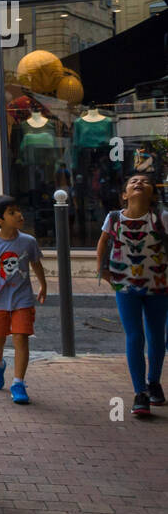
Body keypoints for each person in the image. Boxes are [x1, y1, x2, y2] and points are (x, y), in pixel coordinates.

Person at [96, 173, 168, 417]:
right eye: (133, 182)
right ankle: (140, 393)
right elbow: (103, 243)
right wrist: (101, 270)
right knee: (135, 336)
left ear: (153, 194)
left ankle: (154, 381)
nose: (139, 183)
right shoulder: (114, 217)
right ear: (124, 195)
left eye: (145, 182)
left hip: (159, 284)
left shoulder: (161, 217)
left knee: (157, 336)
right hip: (125, 285)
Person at [0, 195, 47, 405]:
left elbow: (36, 263)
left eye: (18, 210)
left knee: (21, 338)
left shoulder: (28, 241)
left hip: (22, 300)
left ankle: (18, 383)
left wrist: (43, 284)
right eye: (12, 212)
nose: (19, 215)